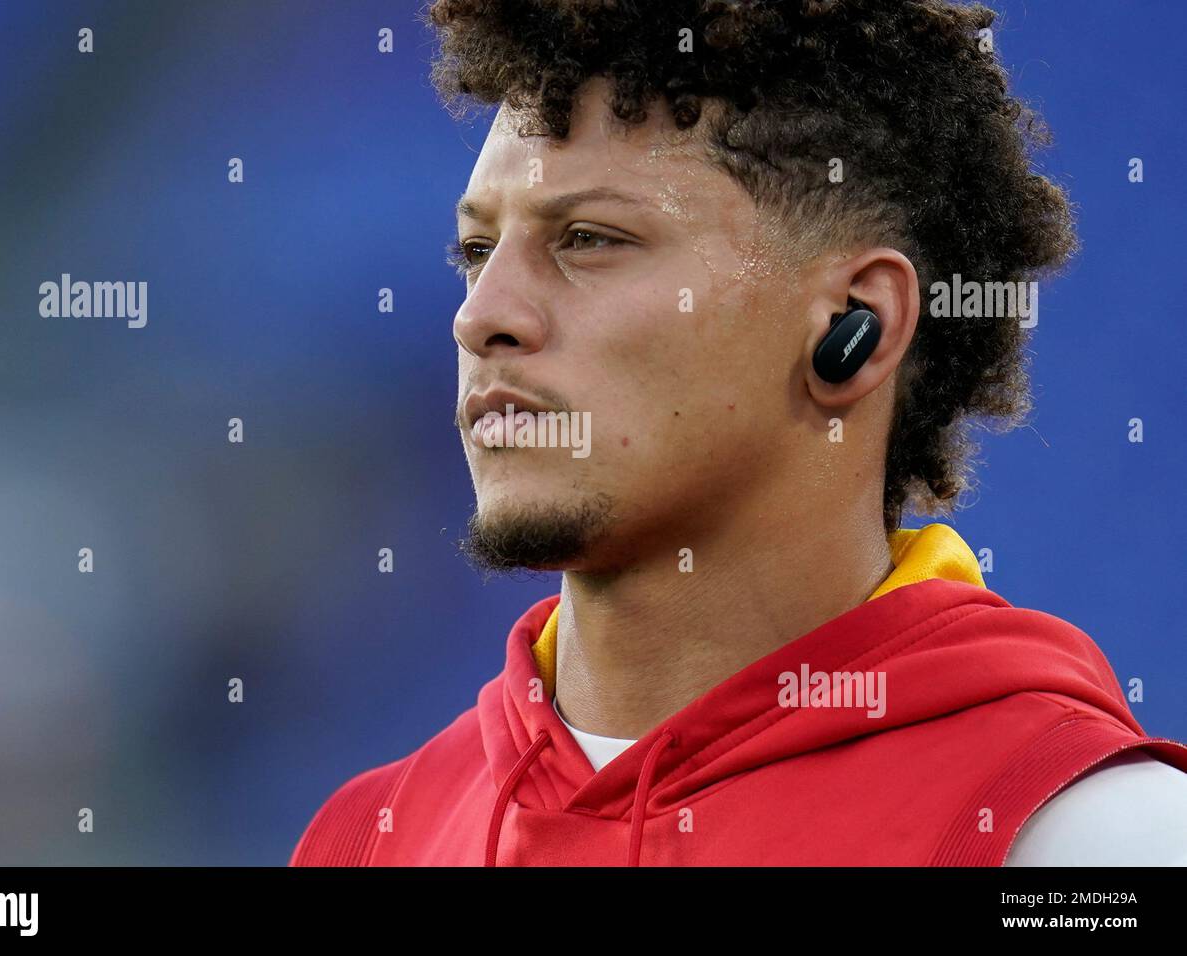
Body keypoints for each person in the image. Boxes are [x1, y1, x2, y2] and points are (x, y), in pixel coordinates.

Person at [292, 0, 1187, 866]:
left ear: (854, 324)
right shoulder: (364, 839)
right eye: (477, 251)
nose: (480, 316)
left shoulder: (1089, 840)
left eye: (589, 239)